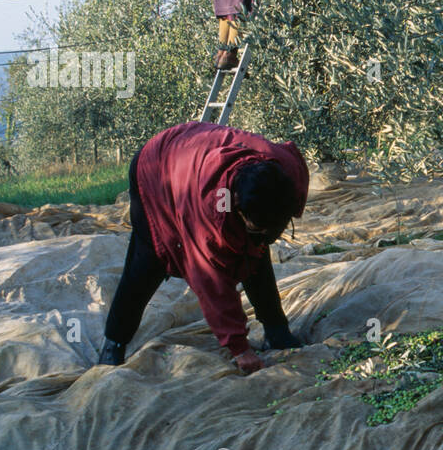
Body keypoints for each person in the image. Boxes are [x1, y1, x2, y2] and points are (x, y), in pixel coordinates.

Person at [97, 121, 309, 374]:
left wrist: (260, 236)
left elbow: (260, 233)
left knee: (255, 251)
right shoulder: (212, 209)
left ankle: (276, 331)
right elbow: (212, 283)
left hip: (197, 151)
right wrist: (239, 348)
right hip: (157, 168)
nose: (267, 234)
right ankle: (114, 344)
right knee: (147, 259)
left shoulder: (288, 169)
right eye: (255, 226)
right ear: (236, 205)